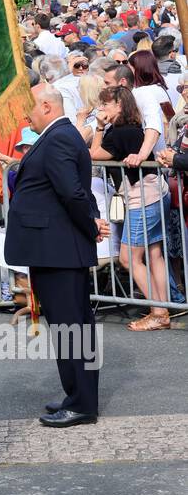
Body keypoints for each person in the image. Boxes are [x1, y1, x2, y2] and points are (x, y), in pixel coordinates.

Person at [4, 83, 109, 427]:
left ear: (47, 107)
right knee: (68, 326)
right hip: (53, 248)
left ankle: (82, 403)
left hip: (59, 249)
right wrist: (91, 220)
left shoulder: (59, 137)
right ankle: (76, 395)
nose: (25, 115)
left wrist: (91, 225)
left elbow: (72, 191)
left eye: (30, 108)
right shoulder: (57, 135)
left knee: (72, 327)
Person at [91, 85, 170, 331]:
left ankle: (159, 313)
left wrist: (100, 126)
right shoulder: (133, 128)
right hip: (157, 191)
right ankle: (164, 306)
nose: (101, 108)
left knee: (128, 258)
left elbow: (92, 153)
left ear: (119, 105)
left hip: (142, 198)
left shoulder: (118, 132)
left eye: (105, 104)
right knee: (154, 253)